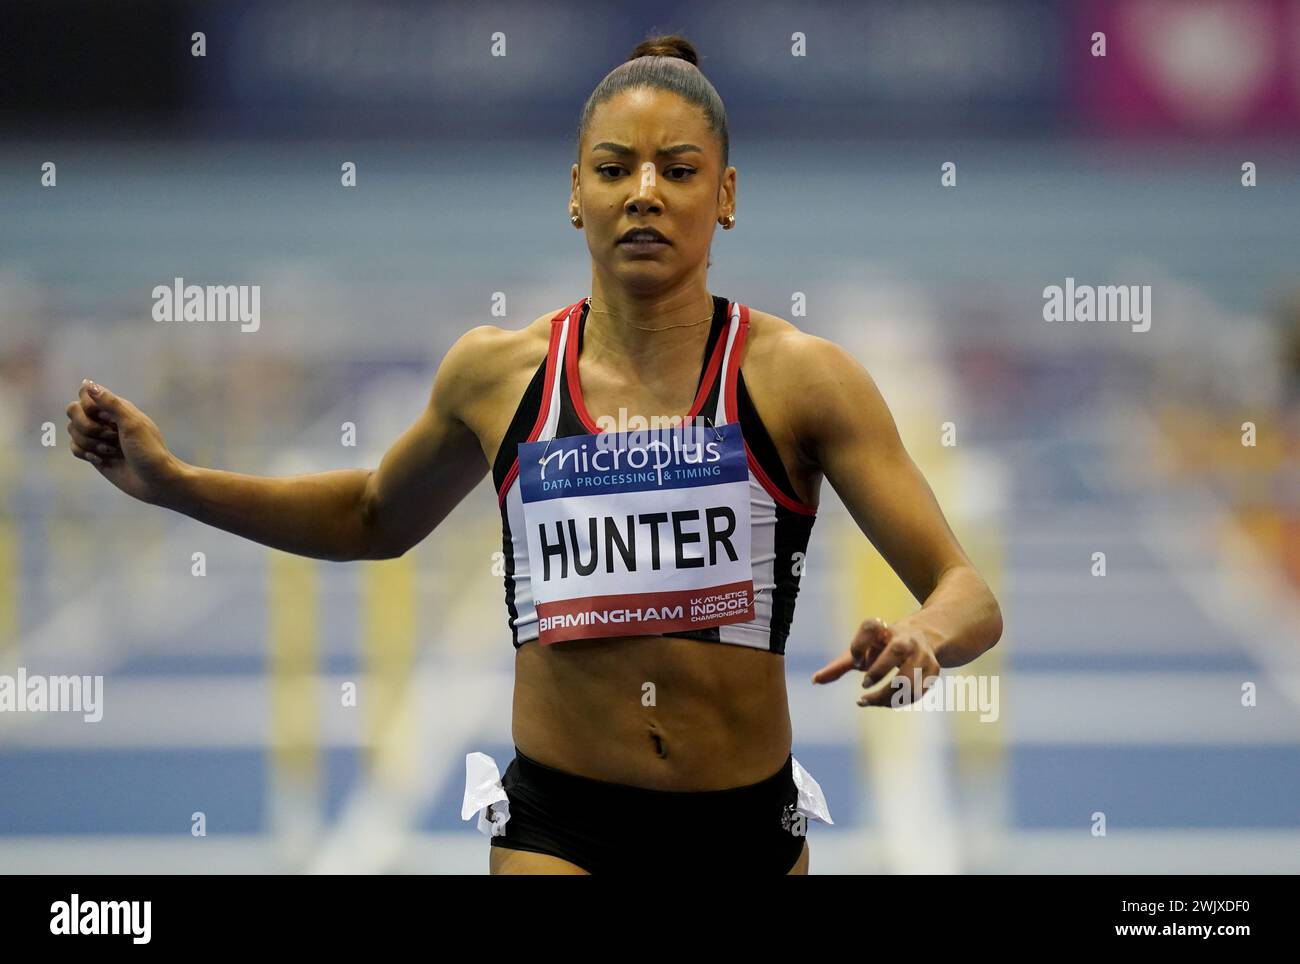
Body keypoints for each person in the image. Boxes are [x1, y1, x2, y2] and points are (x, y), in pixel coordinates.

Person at [65, 34, 1002, 875]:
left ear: (724, 196)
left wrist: (926, 635)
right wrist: (174, 483)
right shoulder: (496, 375)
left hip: (743, 830)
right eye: (613, 167)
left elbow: (968, 591)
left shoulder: (801, 380)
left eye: (678, 171)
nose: (643, 192)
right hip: (560, 828)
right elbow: (367, 518)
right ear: (574, 192)